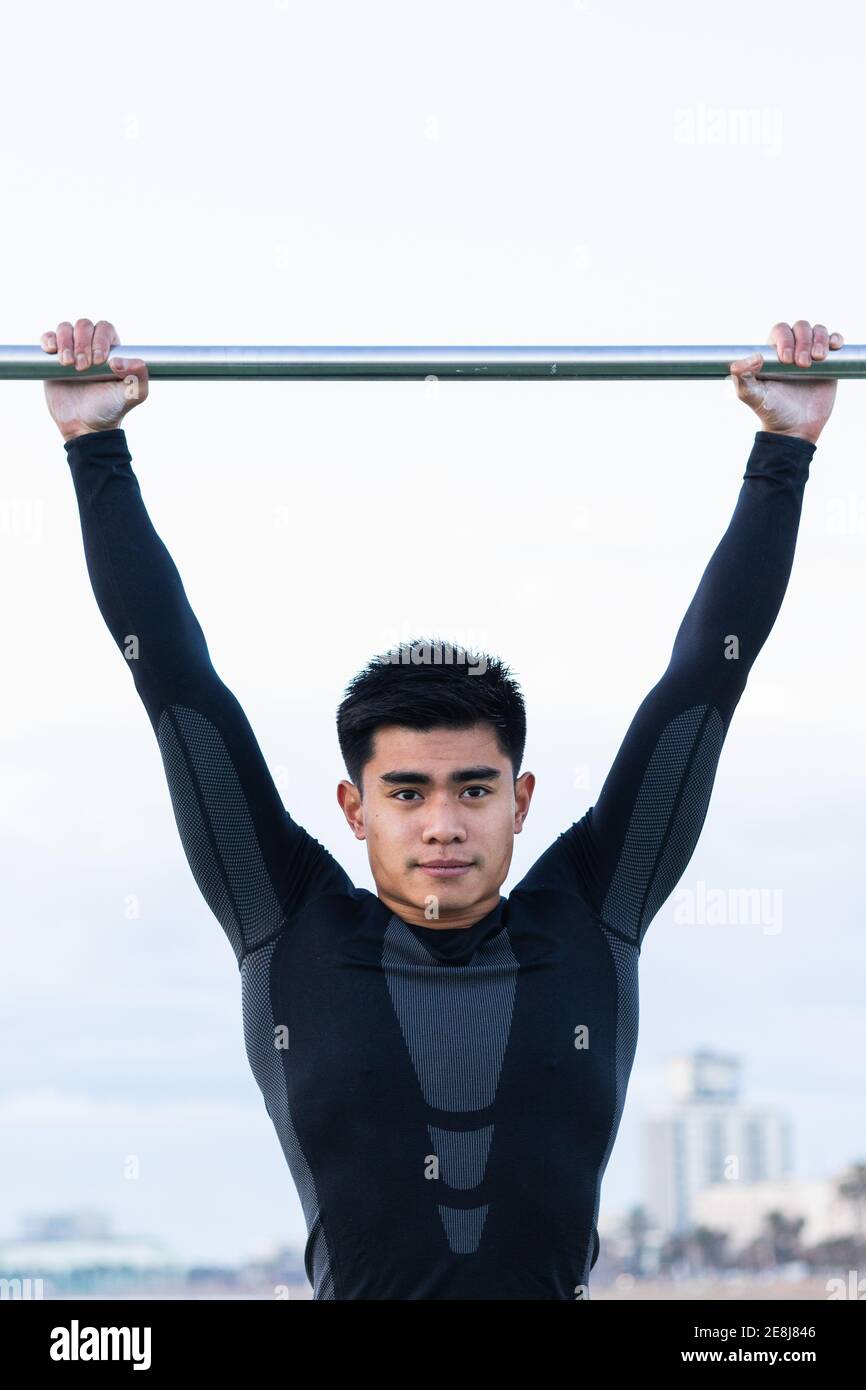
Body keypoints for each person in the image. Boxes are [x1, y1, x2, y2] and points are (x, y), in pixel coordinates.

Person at [41, 316, 843, 1300]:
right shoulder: (283, 922)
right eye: (405, 792)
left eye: (473, 788)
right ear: (353, 808)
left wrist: (783, 449)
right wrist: (94, 442)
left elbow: (704, 682)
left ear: (520, 800)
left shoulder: (593, 913)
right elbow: (173, 680)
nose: (441, 824)